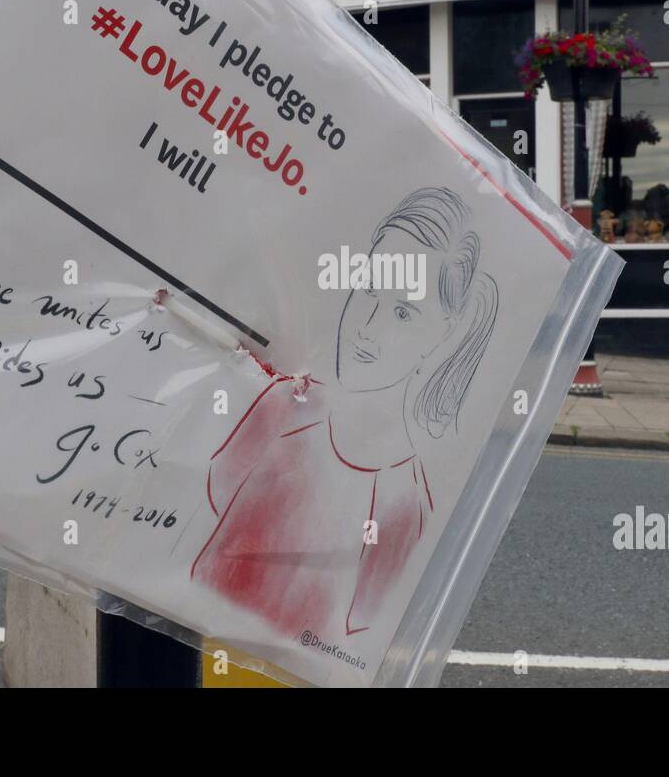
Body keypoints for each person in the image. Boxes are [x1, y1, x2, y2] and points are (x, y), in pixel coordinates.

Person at [191, 187, 498, 638]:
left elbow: (362, 627)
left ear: (442, 335)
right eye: (369, 287)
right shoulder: (283, 404)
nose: (368, 326)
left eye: (403, 312)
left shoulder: (401, 504)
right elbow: (213, 485)